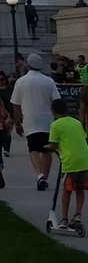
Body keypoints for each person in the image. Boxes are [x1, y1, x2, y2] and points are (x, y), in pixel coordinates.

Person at [13, 52, 61, 191]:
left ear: (28, 65)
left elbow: (16, 104)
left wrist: (17, 123)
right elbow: (56, 102)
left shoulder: (21, 81)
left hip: (30, 119)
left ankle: (39, 175)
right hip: (47, 120)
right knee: (47, 150)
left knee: (33, 149)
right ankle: (44, 177)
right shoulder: (48, 81)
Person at [52, 98, 88, 233]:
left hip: (69, 162)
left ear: (54, 111)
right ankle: (77, 215)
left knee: (66, 190)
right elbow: (82, 138)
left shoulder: (55, 125)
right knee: (80, 189)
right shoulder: (77, 122)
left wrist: (46, 147)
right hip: (84, 160)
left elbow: (53, 144)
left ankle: (64, 218)